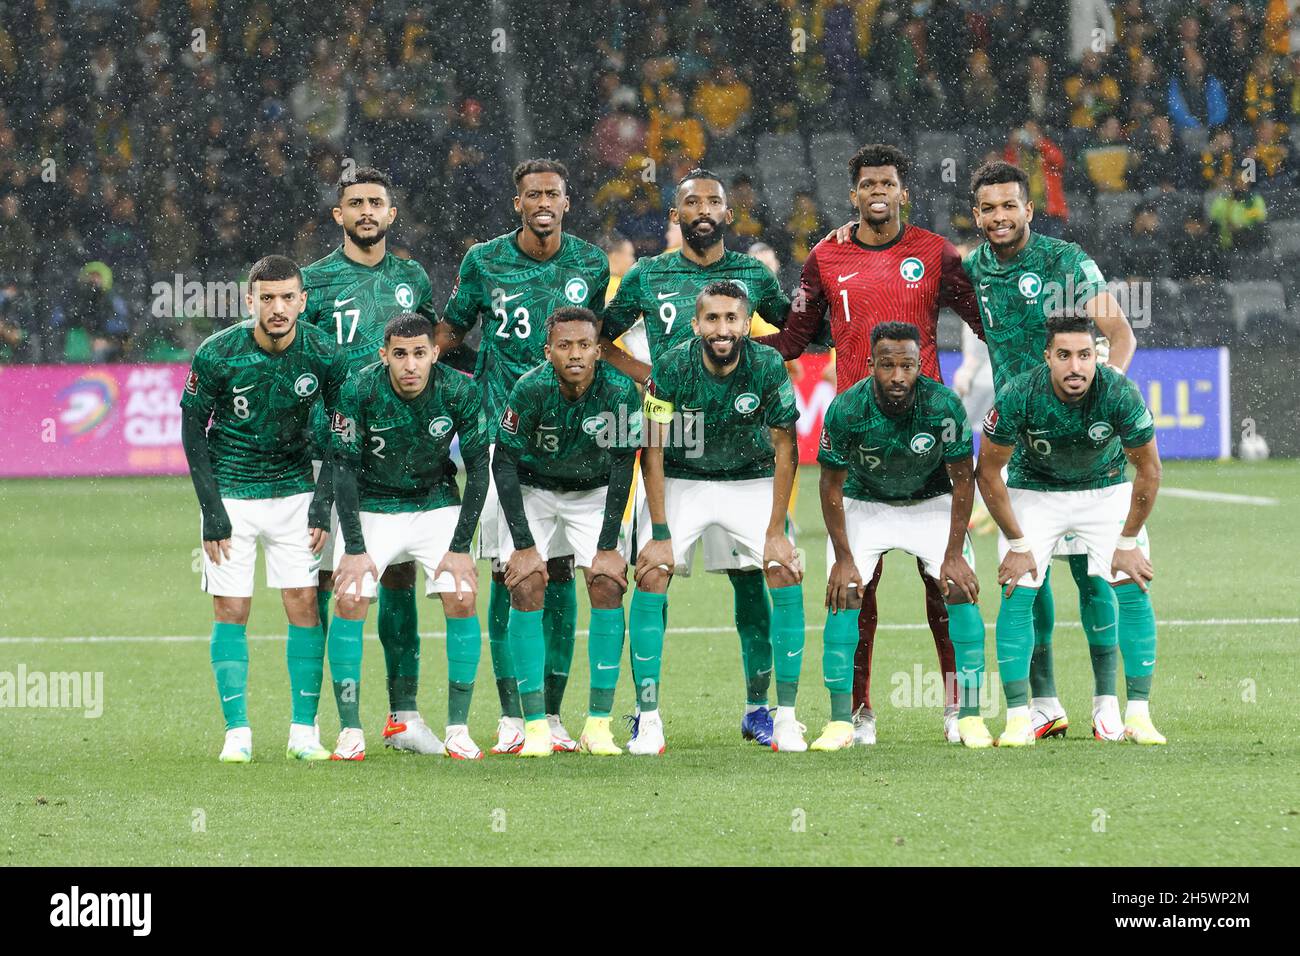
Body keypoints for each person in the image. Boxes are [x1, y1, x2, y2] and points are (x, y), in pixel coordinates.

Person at [758, 143, 985, 746]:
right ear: (853, 193)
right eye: (867, 183)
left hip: (928, 440)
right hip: (859, 440)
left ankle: (959, 708)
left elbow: (986, 319)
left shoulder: (936, 254)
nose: (878, 191)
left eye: (888, 181)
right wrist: (736, 351)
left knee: (947, 589)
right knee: (857, 588)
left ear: (903, 190)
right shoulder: (825, 257)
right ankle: (857, 712)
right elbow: (797, 336)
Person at [434, 159, 610, 755]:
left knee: (560, 575)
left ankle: (550, 713)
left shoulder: (590, 262)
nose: (542, 202)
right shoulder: (482, 261)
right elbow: (452, 332)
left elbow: (598, 343)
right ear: (517, 203)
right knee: (511, 575)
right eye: (531, 193)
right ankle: (512, 715)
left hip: (573, 438)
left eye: (552, 194)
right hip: (498, 436)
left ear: (566, 202)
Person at [964, 159, 1139, 739]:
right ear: (976, 214)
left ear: (1029, 209)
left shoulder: (1065, 263)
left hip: (1088, 454)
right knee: (1029, 575)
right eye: (988, 208)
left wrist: (1101, 401)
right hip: (1022, 447)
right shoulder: (973, 270)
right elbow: (902, 261)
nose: (999, 217)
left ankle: (1106, 707)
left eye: (1009, 205)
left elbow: (1120, 334)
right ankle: (1043, 704)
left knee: (1094, 578)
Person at [300, 166, 445, 756]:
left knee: (400, 578)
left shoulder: (412, 277)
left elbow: (427, 356)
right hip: (332, 452)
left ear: (391, 214)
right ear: (339, 216)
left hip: (401, 454)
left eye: (375, 203)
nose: (365, 211)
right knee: (333, 584)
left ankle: (402, 716)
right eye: (354, 203)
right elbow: (298, 364)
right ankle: (324, 723)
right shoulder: (314, 281)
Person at [179, 255, 347, 763]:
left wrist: (322, 502)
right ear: (250, 301)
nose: (277, 308)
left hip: (296, 494)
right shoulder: (218, 353)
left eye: (287, 297)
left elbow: (341, 429)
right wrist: (211, 509)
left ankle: (303, 732)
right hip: (231, 494)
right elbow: (192, 428)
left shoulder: (323, 352)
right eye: (266, 298)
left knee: (303, 605)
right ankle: (237, 733)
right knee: (233, 609)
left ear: (302, 300)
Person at [631, 281, 805, 754]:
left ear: (747, 324)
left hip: (749, 479)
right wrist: (661, 532)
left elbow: (787, 449)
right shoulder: (670, 366)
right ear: (696, 324)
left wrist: (775, 532)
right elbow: (652, 446)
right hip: (682, 479)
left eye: (732, 319)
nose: (722, 328)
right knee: (650, 575)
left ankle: (776, 715)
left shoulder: (768, 365)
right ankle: (647, 719)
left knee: (781, 572)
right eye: (712, 319)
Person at [977, 315, 1165, 746]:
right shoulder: (1020, 393)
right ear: (1048, 357)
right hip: (1035, 491)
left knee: (1130, 583)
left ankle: (1133, 713)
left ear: (1097, 356)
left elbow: (1149, 470)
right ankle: (1018, 718)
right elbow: (987, 472)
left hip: (1105, 491)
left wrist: (1129, 542)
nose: (1075, 367)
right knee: (1017, 586)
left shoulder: (1118, 392)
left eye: (1084, 355)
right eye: (1064, 356)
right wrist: (1019, 544)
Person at [814, 323, 992, 751]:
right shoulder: (847, 408)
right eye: (888, 365)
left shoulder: (943, 406)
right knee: (847, 596)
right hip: (865, 502)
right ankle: (849, 717)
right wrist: (842, 558)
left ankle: (964, 713)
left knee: (958, 591)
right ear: (871, 363)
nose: (898, 376)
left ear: (919, 365)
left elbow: (963, 481)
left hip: (930, 502)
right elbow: (830, 486)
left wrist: (953, 553)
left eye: (907, 366)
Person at [328, 313, 490, 760]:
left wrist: (460, 548)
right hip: (372, 504)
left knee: (461, 594)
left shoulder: (460, 390)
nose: (410, 365)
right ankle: (350, 730)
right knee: (349, 597)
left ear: (435, 353)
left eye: (420, 353)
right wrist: (356, 549)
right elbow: (341, 466)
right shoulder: (358, 388)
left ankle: (458, 729)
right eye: (400, 354)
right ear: (384, 356)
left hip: (434, 502)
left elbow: (479, 469)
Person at [492, 307, 641, 757]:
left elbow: (622, 466)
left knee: (607, 584)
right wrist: (523, 545)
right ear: (548, 351)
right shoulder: (530, 388)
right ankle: (535, 726)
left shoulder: (618, 389)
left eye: (583, 346)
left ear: (599, 350)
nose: (574, 355)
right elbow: (504, 462)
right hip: (534, 489)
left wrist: (608, 546)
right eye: (563, 345)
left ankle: (598, 725)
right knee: (526, 585)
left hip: (593, 493)